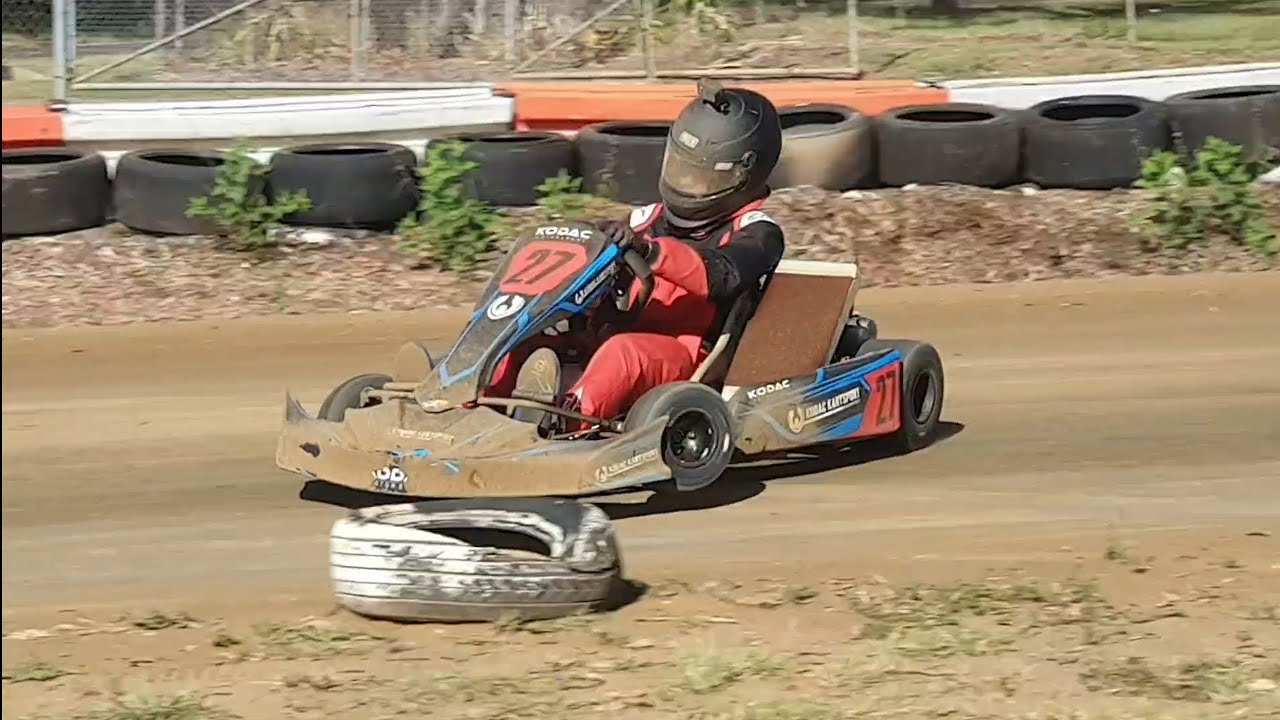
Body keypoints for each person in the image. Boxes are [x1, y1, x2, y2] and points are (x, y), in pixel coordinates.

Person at [489, 79, 786, 431]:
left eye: (702, 178)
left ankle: (561, 425)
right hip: (614, 331)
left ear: (745, 174)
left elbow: (721, 275)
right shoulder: (646, 219)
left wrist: (653, 252)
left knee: (624, 354)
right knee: (526, 335)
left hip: (685, 355)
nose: (688, 185)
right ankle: (476, 406)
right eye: (683, 170)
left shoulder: (758, 232)